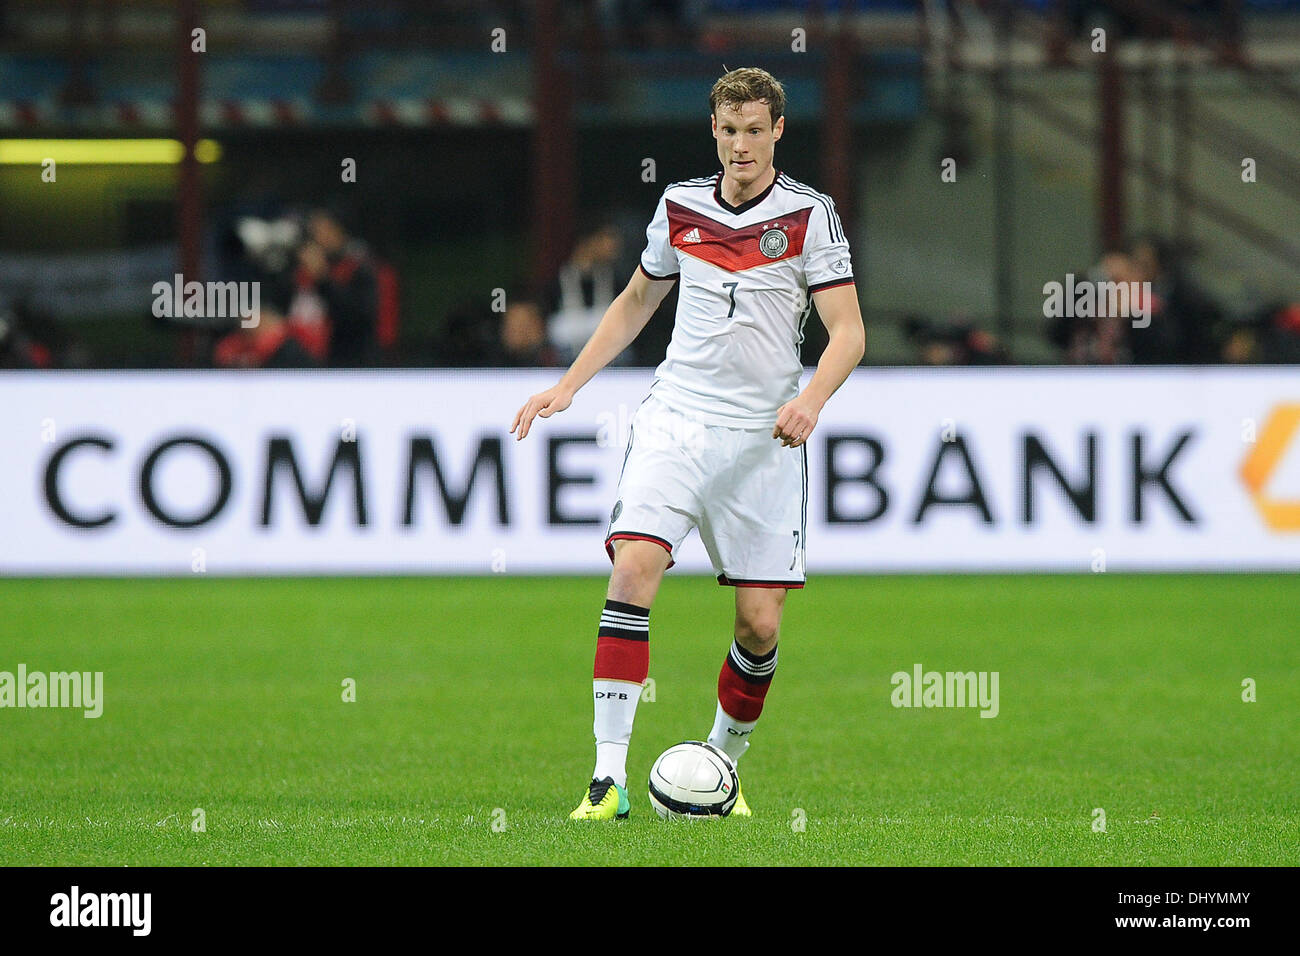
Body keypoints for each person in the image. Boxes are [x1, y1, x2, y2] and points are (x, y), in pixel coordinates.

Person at [511, 67, 865, 821]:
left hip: (766, 437)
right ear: (714, 130)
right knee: (633, 567)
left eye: (754, 130)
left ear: (777, 132)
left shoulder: (809, 216)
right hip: (677, 417)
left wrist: (810, 400)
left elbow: (848, 333)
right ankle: (607, 780)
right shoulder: (680, 206)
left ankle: (720, 767)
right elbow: (637, 301)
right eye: (728, 130)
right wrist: (568, 385)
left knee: (760, 626)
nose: (741, 144)